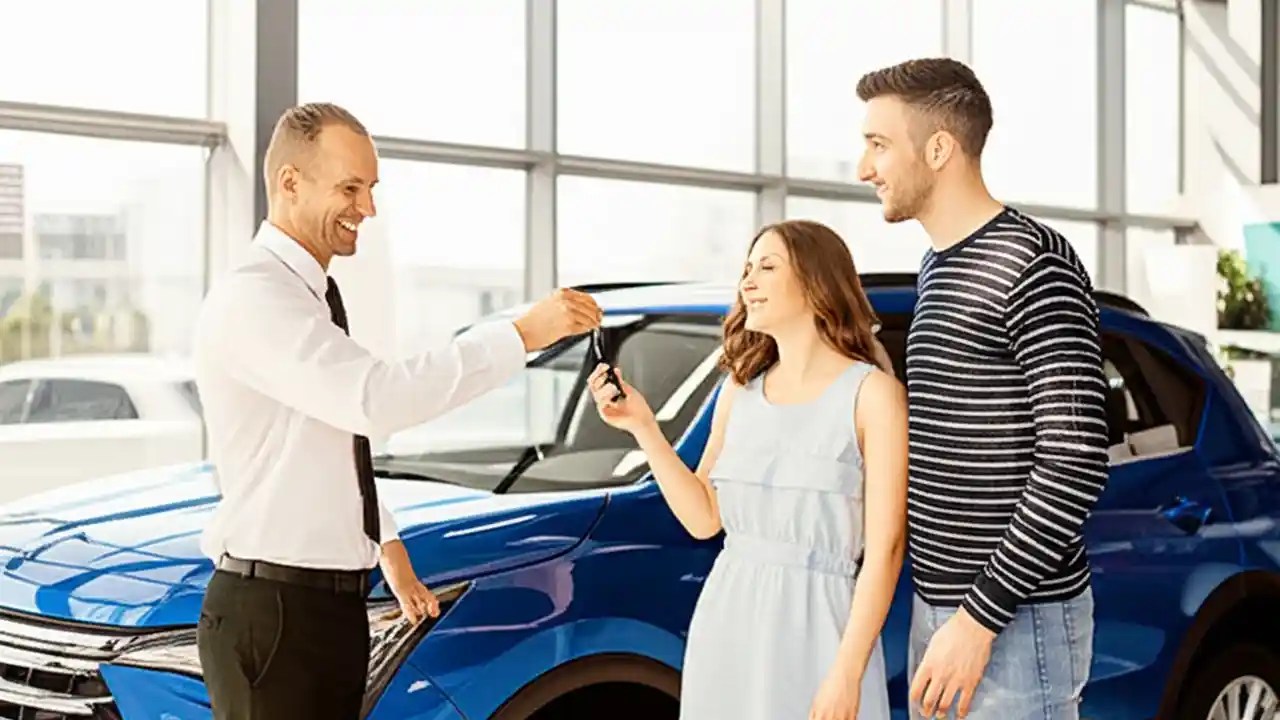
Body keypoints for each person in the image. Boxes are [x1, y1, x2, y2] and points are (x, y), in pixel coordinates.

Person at [192, 102, 602, 720]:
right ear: (289, 183)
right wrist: (518, 333)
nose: (368, 208)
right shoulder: (257, 296)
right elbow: (374, 398)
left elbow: (323, 440)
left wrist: (384, 540)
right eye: (350, 187)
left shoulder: (309, 294)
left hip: (322, 610)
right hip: (275, 612)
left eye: (371, 188)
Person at [854, 58, 1109, 719]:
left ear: (939, 148)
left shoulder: (1034, 262)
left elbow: (1075, 460)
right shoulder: (937, 267)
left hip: (1010, 623)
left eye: (878, 145)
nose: (863, 168)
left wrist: (978, 620)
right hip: (944, 610)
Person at [586, 220, 909, 720]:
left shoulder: (873, 395)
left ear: (815, 282)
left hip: (822, 628)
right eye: (746, 269)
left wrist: (847, 673)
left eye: (767, 267)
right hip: (730, 620)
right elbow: (703, 519)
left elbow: (886, 550)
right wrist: (644, 428)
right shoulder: (738, 391)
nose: (748, 282)